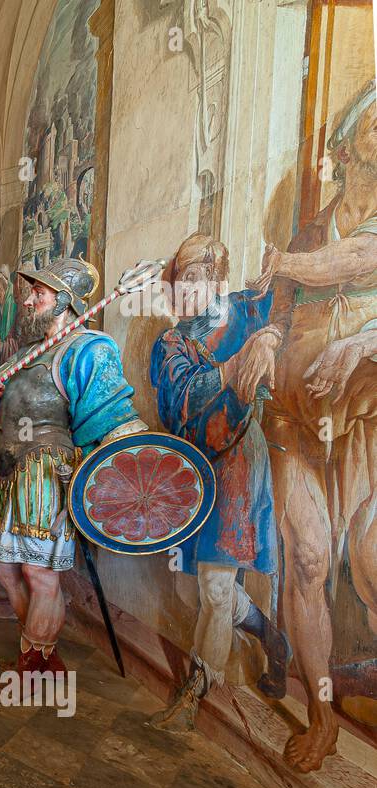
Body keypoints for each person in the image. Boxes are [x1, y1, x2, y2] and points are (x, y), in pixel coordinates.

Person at [245, 79, 377, 772]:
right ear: (347, 141)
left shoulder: (317, 244)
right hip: (296, 418)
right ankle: (322, 714)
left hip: (368, 422)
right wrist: (266, 337)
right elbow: (280, 308)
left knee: (372, 564)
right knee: (308, 559)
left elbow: (356, 262)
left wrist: (366, 342)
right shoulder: (306, 229)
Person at [0, 258, 146, 675]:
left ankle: (32, 664)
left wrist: (126, 466)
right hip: (2, 470)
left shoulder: (89, 347)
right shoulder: (26, 353)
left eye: (40, 293)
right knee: (0, 563)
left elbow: (112, 416)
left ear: (67, 301)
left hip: (44, 471)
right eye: (31, 291)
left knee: (39, 573)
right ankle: (38, 646)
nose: (29, 299)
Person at [148, 233, 290, 732]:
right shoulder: (171, 344)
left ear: (216, 278)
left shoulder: (247, 310)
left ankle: (195, 693)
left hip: (239, 468)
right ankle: (270, 635)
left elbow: (288, 310)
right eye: (183, 279)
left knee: (213, 587)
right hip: (194, 468)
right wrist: (232, 368)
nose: (191, 288)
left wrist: (270, 337)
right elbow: (178, 404)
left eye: (200, 278)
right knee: (202, 592)